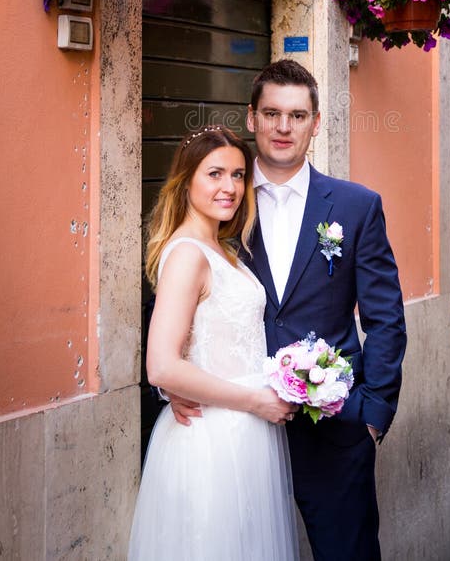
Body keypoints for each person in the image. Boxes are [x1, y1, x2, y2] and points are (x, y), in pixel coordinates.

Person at [171, 60, 407, 561]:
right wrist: (173, 385)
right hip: (237, 427)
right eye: (272, 113)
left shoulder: (355, 206)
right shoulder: (221, 199)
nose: (284, 127)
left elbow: (386, 317)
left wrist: (371, 413)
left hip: (335, 427)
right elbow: (177, 298)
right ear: (252, 118)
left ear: (316, 123)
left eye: (297, 116)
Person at [127, 126, 299, 561]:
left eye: (239, 176)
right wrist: (254, 402)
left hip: (245, 433)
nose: (231, 187)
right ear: (187, 181)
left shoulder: (223, 248)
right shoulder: (188, 254)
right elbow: (161, 367)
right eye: (215, 174)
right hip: (210, 439)